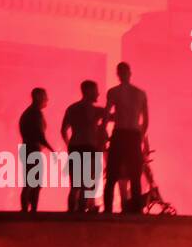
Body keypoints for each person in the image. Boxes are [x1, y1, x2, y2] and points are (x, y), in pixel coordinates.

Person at [103, 62, 148, 213]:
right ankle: (136, 212)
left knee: (112, 175)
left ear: (119, 74)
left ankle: (109, 211)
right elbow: (146, 120)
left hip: (121, 133)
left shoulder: (114, 92)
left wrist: (104, 132)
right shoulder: (140, 93)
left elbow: (106, 114)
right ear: (130, 73)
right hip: (132, 134)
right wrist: (140, 137)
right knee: (134, 175)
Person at [61, 80, 106, 212]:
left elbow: (63, 130)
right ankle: (81, 215)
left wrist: (69, 145)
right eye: (96, 90)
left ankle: (71, 215)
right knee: (86, 186)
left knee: (75, 186)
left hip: (74, 148)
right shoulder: (95, 110)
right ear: (88, 91)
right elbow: (116, 116)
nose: (98, 93)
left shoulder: (71, 108)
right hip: (89, 148)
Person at [18, 87, 53, 213]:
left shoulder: (29, 113)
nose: (47, 99)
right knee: (34, 183)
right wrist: (51, 149)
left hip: (29, 149)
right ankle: (31, 211)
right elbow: (39, 134)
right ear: (38, 97)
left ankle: (27, 210)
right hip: (33, 150)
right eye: (44, 96)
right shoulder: (35, 113)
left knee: (30, 182)